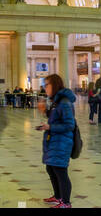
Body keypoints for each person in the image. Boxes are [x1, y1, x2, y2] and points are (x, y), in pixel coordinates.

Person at [36, 74, 76, 208]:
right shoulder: (56, 101)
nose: (45, 88)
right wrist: (45, 112)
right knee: (51, 168)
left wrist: (50, 127)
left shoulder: (64, 102)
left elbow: (69, 125)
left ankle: (66, 202)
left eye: (47, 85)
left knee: (60, 171)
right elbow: (56, 116)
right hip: (54, 140)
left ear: (55, 85)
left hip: (62, 142)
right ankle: (58, 196)